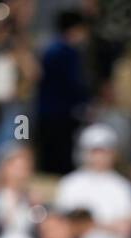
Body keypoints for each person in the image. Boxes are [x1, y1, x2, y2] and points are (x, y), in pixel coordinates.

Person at [54, 123, 131, 238]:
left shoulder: (124, 187)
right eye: (94, 151)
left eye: (104, 151)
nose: (99, 156)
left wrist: (91, 225)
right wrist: (106, 226)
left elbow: (126, 228)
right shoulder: (69, 184)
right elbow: (65, 226)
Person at [35, 8, 90, 177]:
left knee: (47, 161)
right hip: (62, 116)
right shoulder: (67, 53)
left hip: (45, 114)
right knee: (61, 164)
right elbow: (73, 85)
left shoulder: (48, 49)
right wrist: (86, 102)